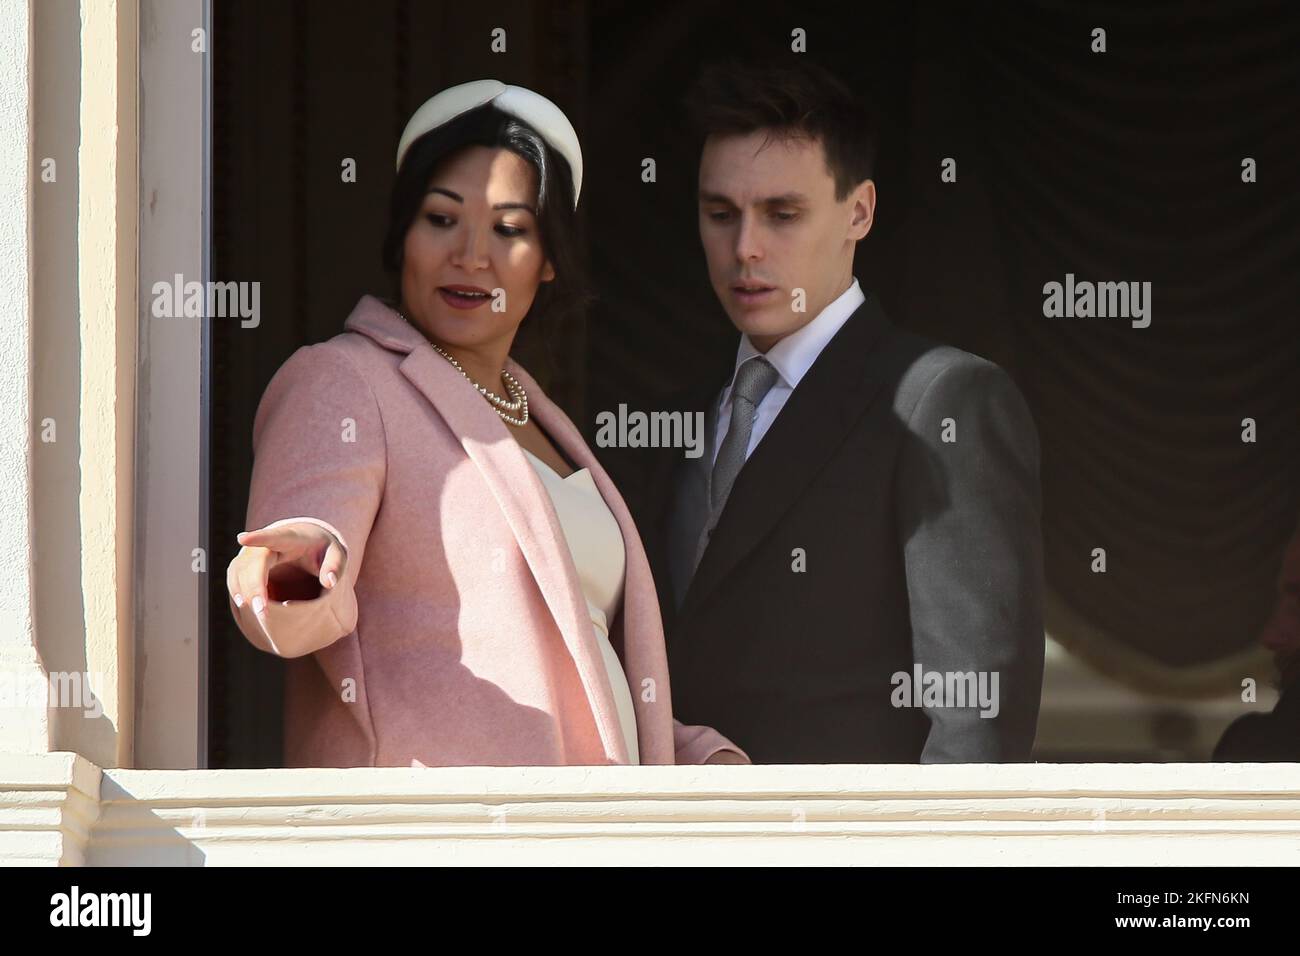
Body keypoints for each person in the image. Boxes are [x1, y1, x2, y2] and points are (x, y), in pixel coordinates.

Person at [226, 79, 748, 768]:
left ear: (551, 259)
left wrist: (690, 757)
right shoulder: (346, 379)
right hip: (443, 831)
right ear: (402, 236)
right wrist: (295, 564)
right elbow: (299, 568)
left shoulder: (540, 417)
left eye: (509, 228)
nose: (471, 254)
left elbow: (573, 664)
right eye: (441, 219)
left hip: (583, 830)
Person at [642, 59, 1045, 763]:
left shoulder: (938, 400)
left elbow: (973, 728)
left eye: (782, 213)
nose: (745, 249)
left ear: (858, 211)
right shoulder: (673, 419)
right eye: (720, 214)